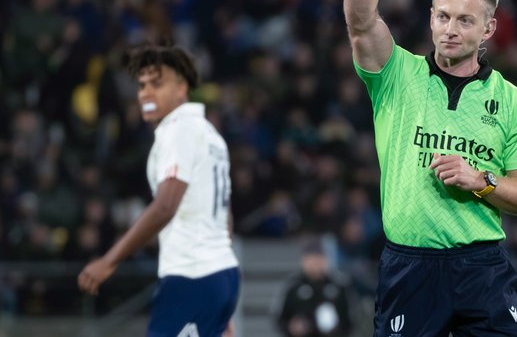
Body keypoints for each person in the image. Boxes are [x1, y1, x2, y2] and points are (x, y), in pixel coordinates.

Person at [344, 0, 517, 336]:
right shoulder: (396, 75)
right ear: (431, 18)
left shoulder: (512, 102)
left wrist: (481, 180)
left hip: (482, 267)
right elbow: (361, 22)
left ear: (488, 29)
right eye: (443, 17)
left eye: (464, 20)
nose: (450, 30)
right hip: (409, 266)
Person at [78, 43, 239, 337]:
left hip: (192, 276)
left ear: (181, 88)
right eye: (142, 86)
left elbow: (166, 206)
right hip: (219, 273)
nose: (146, 93)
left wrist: (109, 261)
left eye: (157, 84)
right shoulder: (209, 134)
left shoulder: (180, 130)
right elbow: (223, 219)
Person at [276, 240, 355, 337]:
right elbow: (279, 318)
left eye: (319, 258)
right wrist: (291, 326)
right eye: (311, 259)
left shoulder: (339, 284)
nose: (315, 263)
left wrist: (338, 329)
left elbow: (351, 318)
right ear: (304, 260)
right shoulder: (293, 285)